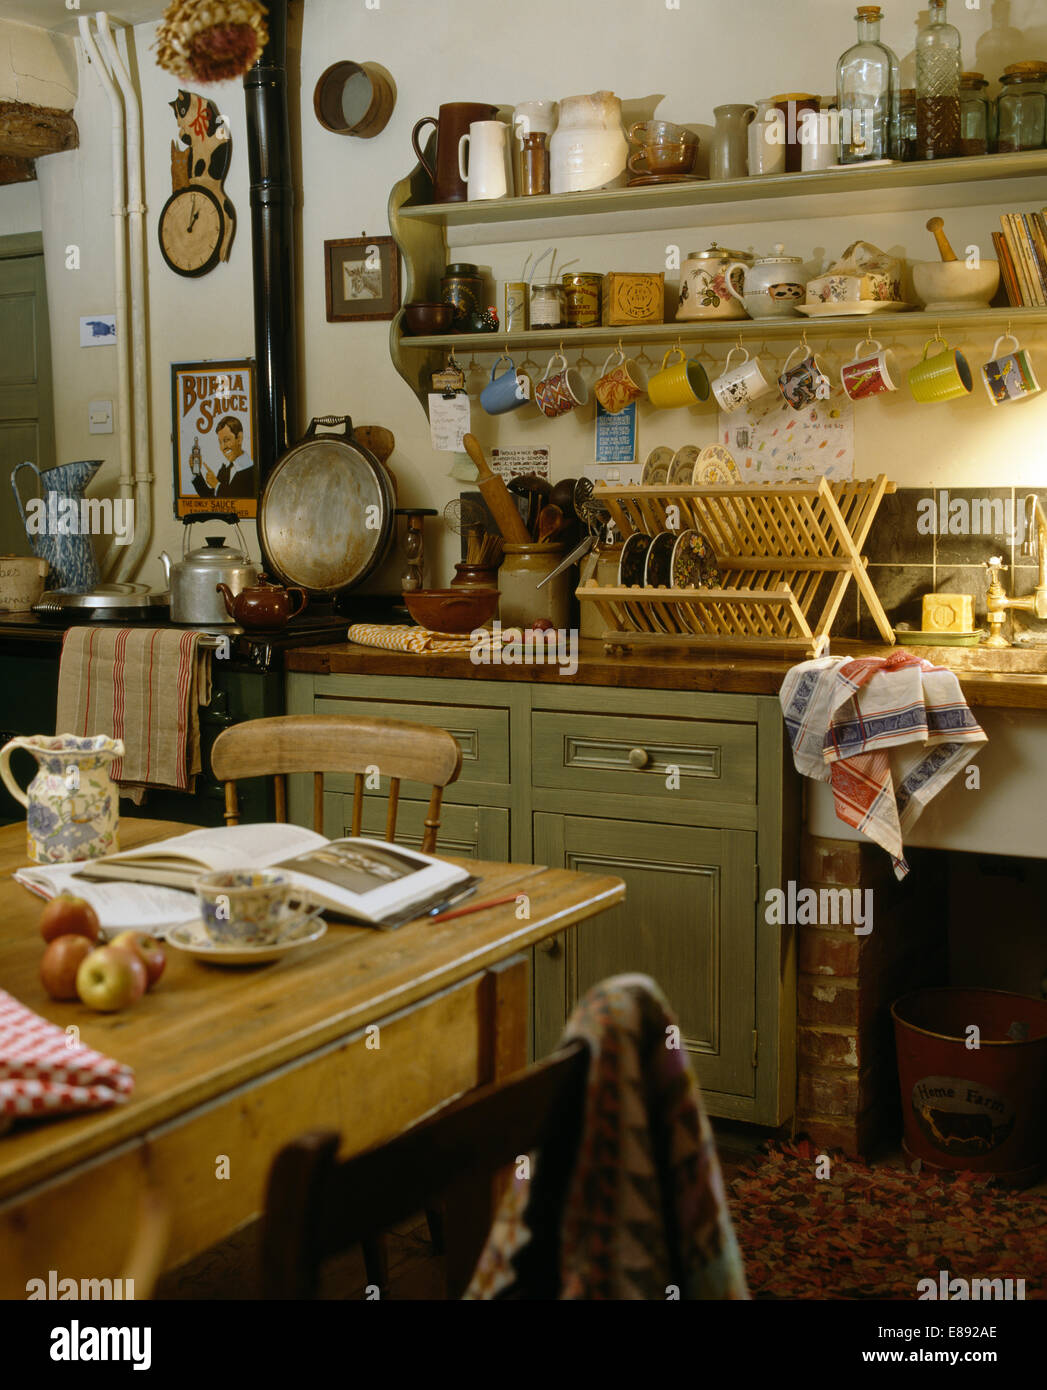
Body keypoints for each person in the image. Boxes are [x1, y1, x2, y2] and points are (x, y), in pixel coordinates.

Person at [191, 416, 255, 499]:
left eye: (226, 440)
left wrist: (216, 485)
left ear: (239, 438)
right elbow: (212, 499)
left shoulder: (251, 470)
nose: (222, 447)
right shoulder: (225, 468)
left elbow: (238, 500)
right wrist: (196, 472)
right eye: (220, 442)